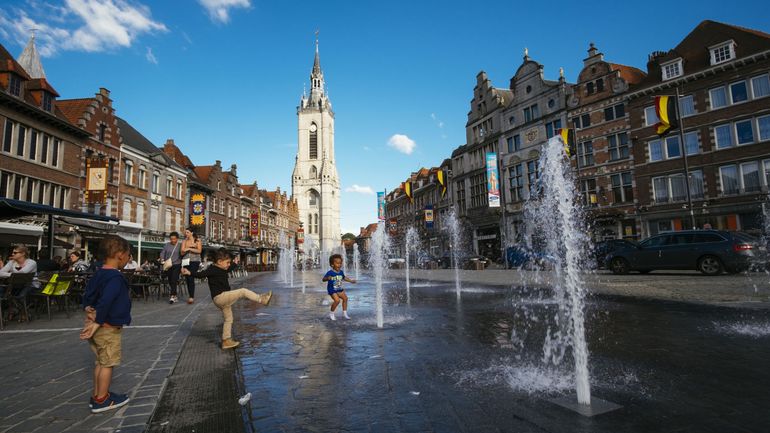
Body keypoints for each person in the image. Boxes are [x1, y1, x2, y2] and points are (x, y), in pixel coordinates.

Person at [80, 235, 132, 413]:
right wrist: (98, 321)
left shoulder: (98, 273)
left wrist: (88, 310)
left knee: (100, 362)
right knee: (108, 363)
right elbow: (107, 301)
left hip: (97, 325)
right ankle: (102, 400)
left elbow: (87, 296)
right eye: (128, 255)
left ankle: (97, 394)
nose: (128, 259)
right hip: (107, 327)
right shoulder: (115, 278)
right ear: (120, 255)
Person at [181, 248, 272, 349]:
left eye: (229, 262)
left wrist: (232, 259)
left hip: (223, 298)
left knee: (229, 319)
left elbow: (233, 266)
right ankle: (261, 299)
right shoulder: (212, 269)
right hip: (220, 297)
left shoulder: (223, 268)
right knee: (243, 291)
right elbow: (200, 275)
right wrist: (189, 273)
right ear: (219, 262)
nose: (229, 264)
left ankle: (226, 341)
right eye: (227, 262)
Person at [322, 253, 356, 321]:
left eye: (340, 263)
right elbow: (323, 279)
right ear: (332, 264)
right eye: (337, 263)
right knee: (337, 301)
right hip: (332, 289)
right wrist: (327, 278)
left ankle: (345, 313)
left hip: (339, 288)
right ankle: (331, 313)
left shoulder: (341, 272)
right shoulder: (330, 272)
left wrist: (351, 281)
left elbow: (344, 278)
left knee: (345, 298)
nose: (339, 265)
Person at [180, 228, 202, 304]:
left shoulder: (197, 240)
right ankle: (191, 295)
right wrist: (185, 250)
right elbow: (182, 253)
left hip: (195, 261)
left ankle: (191, 297)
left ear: (192, 233)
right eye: (185, 232)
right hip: (186, 261)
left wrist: (189, 248)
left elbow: (199, 251)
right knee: (188, 279)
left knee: (191, 277)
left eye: (188, 232)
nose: (186, 233)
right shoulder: (184, 241)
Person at [159, 232, 182, 304]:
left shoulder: (180, 245)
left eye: (174, 239)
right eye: (171, 239)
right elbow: (162, 253)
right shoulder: (167, 245)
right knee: (170, 280)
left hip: (177, 264)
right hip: (168, 265)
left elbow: (182, 254)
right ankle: (174, 295)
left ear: (177, 239)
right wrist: (162, 259)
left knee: (174, 279)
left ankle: (172, 296)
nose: (172, 240)